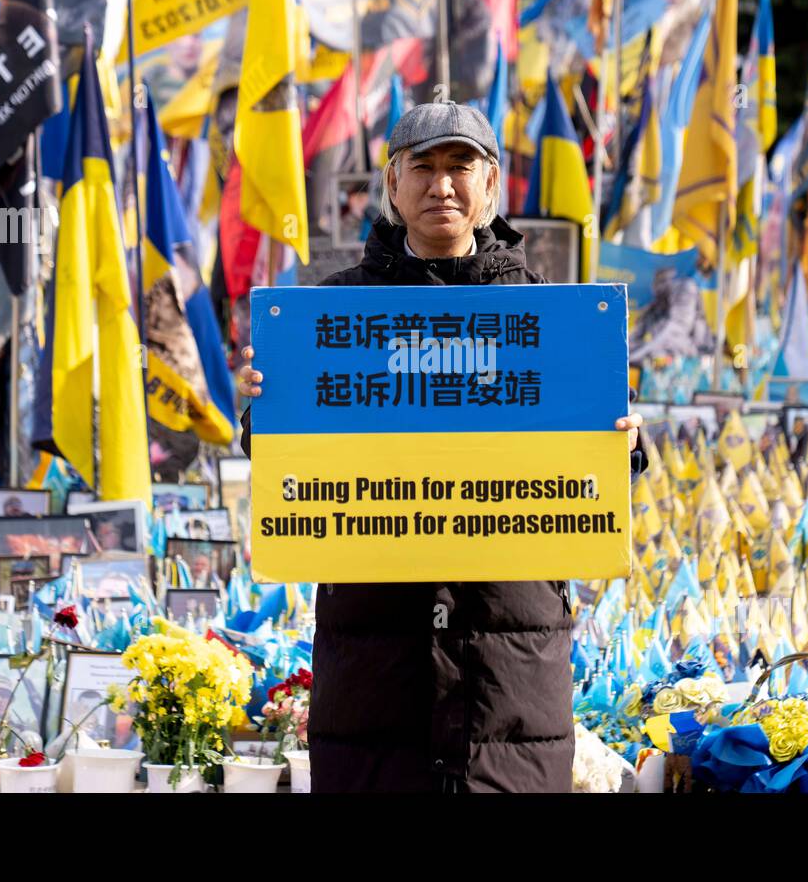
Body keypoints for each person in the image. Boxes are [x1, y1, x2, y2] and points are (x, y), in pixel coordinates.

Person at [237, 101, 645, 793]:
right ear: (392, 186)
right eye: (421, 167)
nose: (442, 185)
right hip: (377, 677)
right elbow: (292, 470)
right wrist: (266, 410)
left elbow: (596, 484)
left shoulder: (555, 317)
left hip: (508, 683)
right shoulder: (330, 313)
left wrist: (623, 444)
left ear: (491, 186)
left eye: (460, 166)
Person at [628, 266, 715, 364]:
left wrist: (639, 354)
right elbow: (633, 339)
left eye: (662, 281)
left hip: (692, 358)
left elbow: (675, 331)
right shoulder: (655, 306)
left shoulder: (685, 288)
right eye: (656, 283)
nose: (656, 287)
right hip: (663, 359)